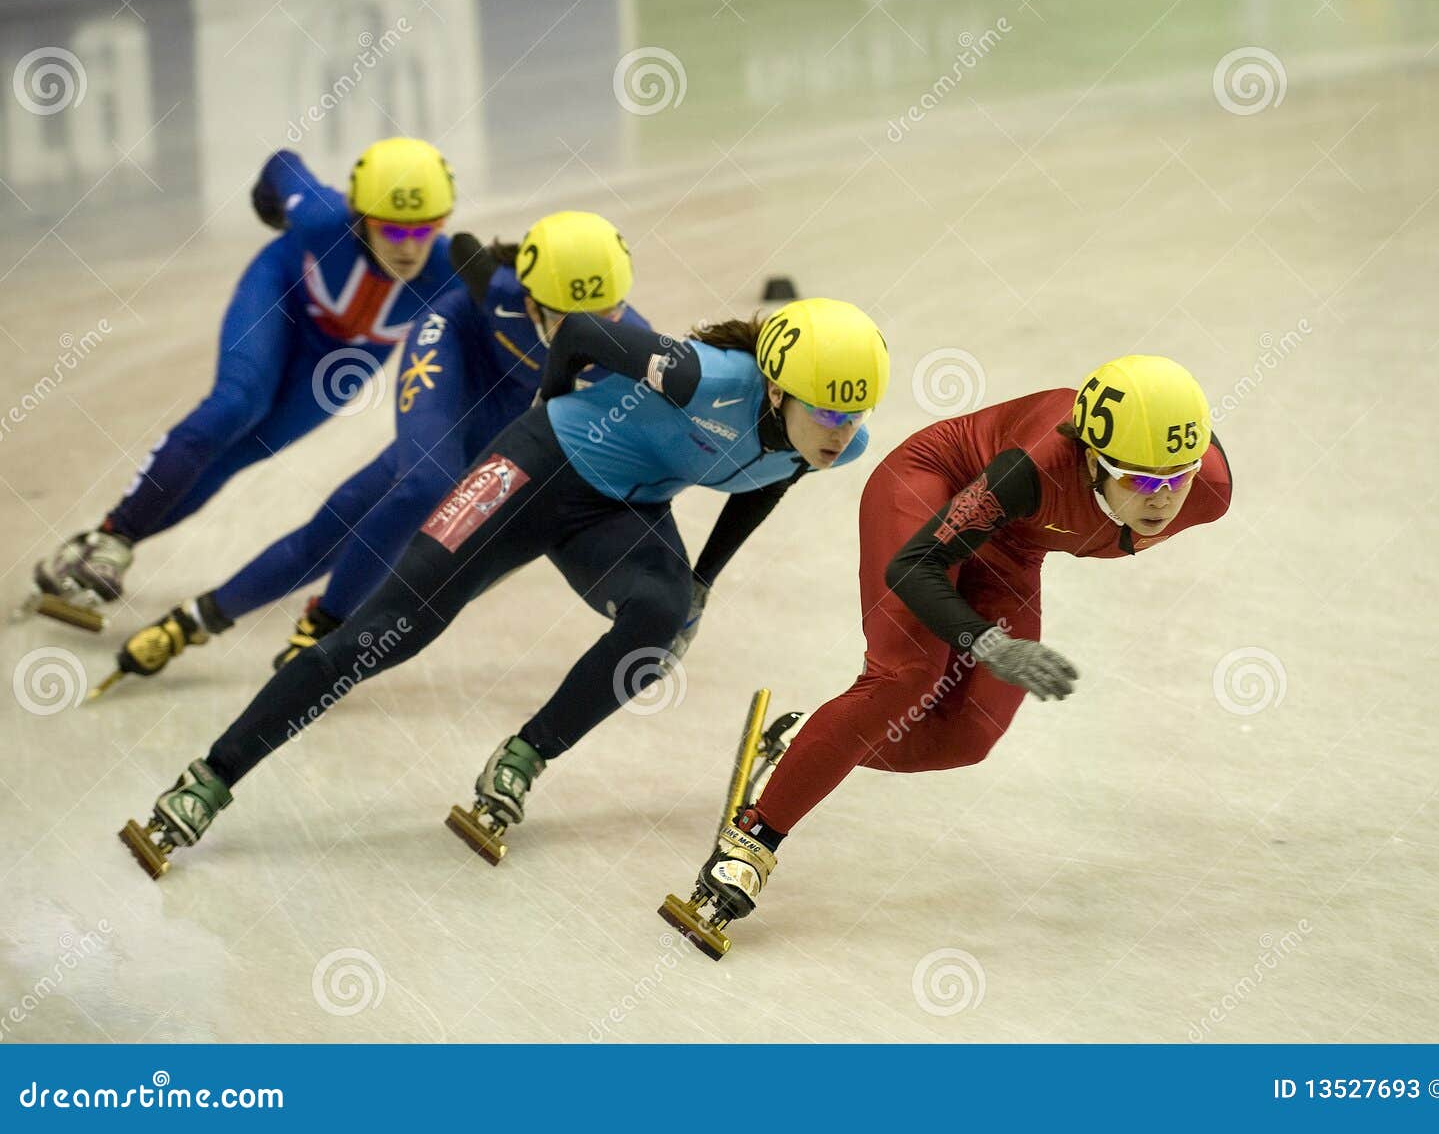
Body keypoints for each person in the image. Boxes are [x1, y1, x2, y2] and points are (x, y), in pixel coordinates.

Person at [117, 296, 892, 878]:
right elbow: (585, 332)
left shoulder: (827, 442)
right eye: (828, 407)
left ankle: (523, 756)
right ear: (779, 388)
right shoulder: (702, 375)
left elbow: (768, 477)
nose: (841, 427)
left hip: (620, 510)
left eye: (856, 412)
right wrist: (542, 407)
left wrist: (702, 579)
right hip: (535, 464)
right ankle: (212, 776)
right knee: (381, 636)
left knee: (661, 616)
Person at [661, 354, 1234, 958]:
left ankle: (803, 737)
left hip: (1014, 543)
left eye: (1179, 476)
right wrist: (986, 642)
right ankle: (752, 841)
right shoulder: (1034, 467)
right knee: (907, 676)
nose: (1164, 497)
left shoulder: (1211, 492)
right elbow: (915, 565)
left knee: (968, 735)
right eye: (1141, 480)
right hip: (935, 488)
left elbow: (1152, 484)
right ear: (1091, 456)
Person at [92, 211, 648, 693]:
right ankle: (328, 623)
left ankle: (197, 618)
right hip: (452, 351)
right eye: (563, 316)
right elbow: (460, 248)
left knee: (363, 517)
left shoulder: (632, 347)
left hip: (502, 407)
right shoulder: (495, 287)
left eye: (604, 317)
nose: (584, 333)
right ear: (528, 294)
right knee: (429, 483)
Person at [28, 137, 458, 630]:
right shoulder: (321, 218)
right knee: (235, 405)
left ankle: (109, 546)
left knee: (239, 454)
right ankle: (112, 536)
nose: (408, 247)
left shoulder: (454, 272)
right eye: (391, 229)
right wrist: (269, 202)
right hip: (281, 299)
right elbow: (283, 163)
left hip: (346, 359)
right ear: (361, 218)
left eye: (425, 229)